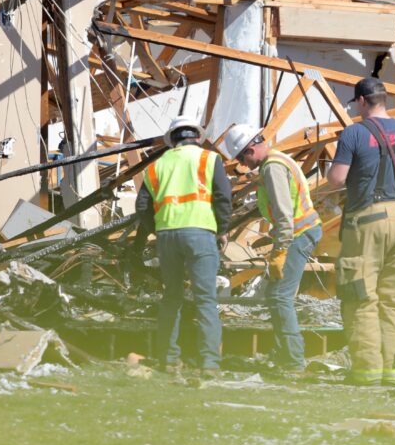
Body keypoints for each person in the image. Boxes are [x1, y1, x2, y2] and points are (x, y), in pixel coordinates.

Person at [326, 77, 395, 386]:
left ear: (363, 101)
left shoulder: (354, 133)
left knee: (360, 296)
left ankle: (367, 370)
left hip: (366, 221)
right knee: (393, 300)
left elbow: (337, 179)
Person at [131, 116, 232, 377]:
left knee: (172, 297)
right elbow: (222, 197)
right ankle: (209, 363)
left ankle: (168, 359)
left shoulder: (156, 165)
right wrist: (222, 230)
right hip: (200, 232)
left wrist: (159, 229)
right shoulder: (209, 159)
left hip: (167, 236)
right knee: (206, 299)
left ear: (172, 139)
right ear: (197, 137)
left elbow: (142, 206)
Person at [223, 123, 323, 375]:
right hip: (300, 233)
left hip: (298, 234)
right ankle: (286, 353)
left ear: (252, 147)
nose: (243, 164)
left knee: (279, 296)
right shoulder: (276, 161)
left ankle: (292, 359)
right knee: (276, 295)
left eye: (242, 157)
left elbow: (284, 214)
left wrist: (280, 250)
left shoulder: (272, 168)